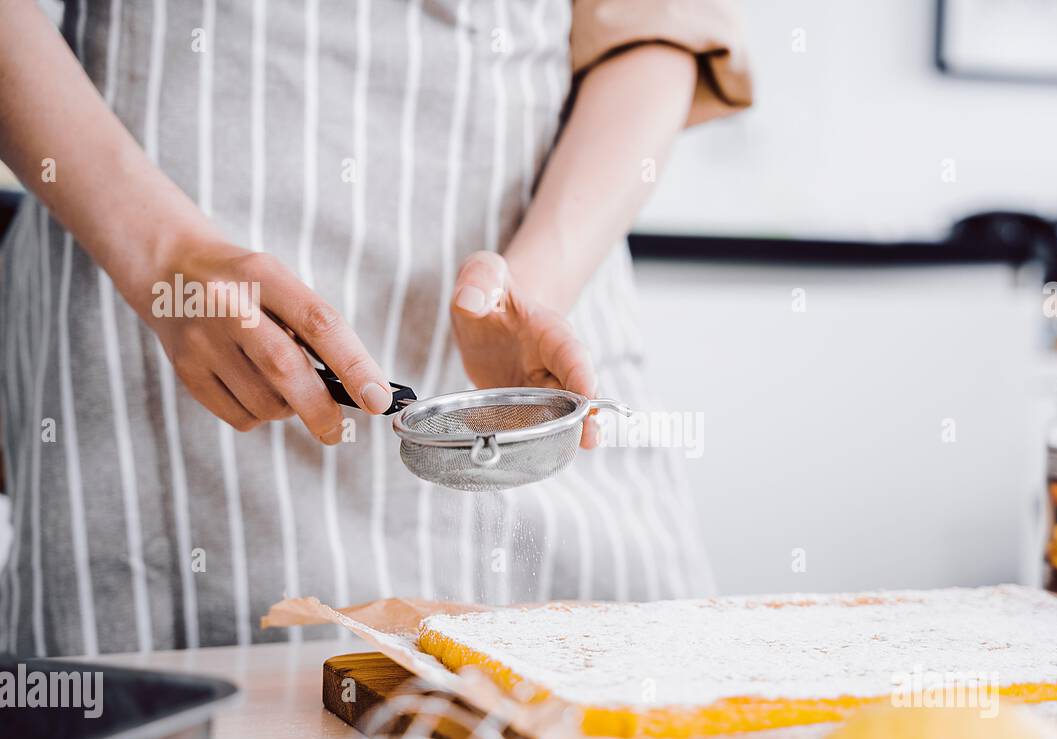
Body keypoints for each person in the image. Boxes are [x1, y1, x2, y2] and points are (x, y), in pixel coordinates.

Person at [0, 0, 752, 655]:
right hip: (155, 311)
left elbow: (660, 29)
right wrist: (162, 254)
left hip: (542, 306)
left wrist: (533, 283)